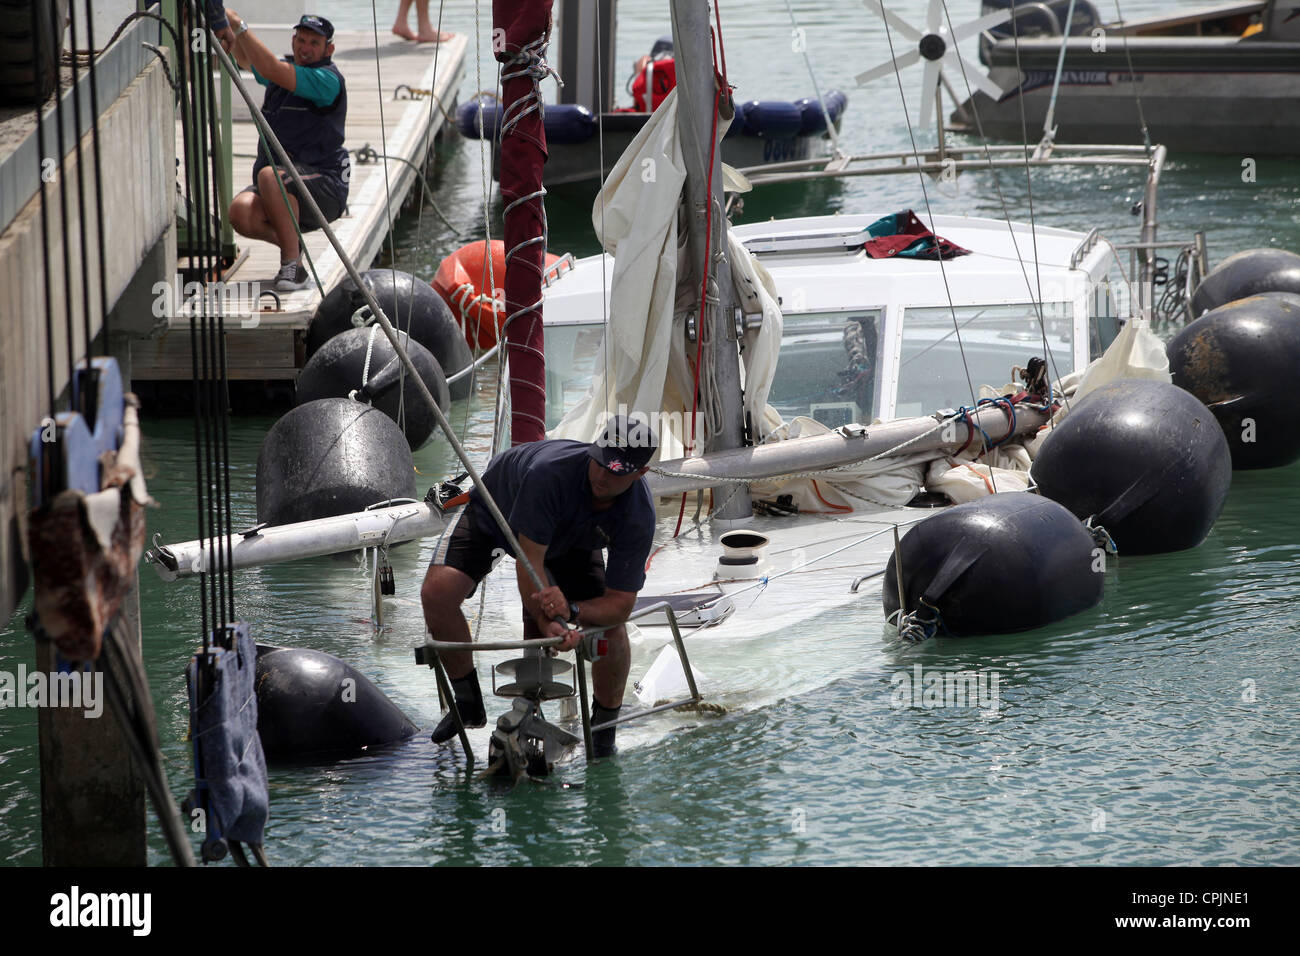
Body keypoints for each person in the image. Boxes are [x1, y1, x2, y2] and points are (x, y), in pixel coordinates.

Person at [420, 416, 659, 758]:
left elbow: (620, 603)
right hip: (498, 508)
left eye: (617, 471)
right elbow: (529, 561)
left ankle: (603, 734)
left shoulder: (638, 515)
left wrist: (574, 612)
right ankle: (468, 702)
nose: (602, 476)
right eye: (600, 462)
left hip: (573, 539)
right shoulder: (550, 473)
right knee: (437, 593)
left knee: (610, 629)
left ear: (640, 474)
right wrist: (550, 622)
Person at [224, 12, 350, 292]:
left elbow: (268, 68)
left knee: (271, 177)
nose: (305, 48)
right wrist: (223, 27)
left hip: (325, 185)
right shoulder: (286, 70)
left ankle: (290, 263)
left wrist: (238, 24)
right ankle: (297, 257)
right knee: (240, 212)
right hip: (286, 183)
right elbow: (248, 61)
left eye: (314, 43)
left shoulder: (326, 80)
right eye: (301, 40)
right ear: (293, 41)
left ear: (328, 49)